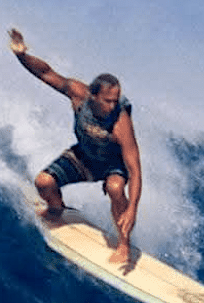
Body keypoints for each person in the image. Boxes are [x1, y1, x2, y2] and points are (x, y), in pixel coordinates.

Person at [9, 28, 142, 266]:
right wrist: (22, 56)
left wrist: (132, 208)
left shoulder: (121, 122)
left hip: (112, 165)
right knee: (43, 182)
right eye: (108, 101)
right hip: (85, 157)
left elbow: (135, 170)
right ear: (93, 95)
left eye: (116, 100)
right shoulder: (78, 95)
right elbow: (46, 73)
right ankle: (57, 210)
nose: (113, 106)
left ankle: (124, 245)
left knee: (115, 188)